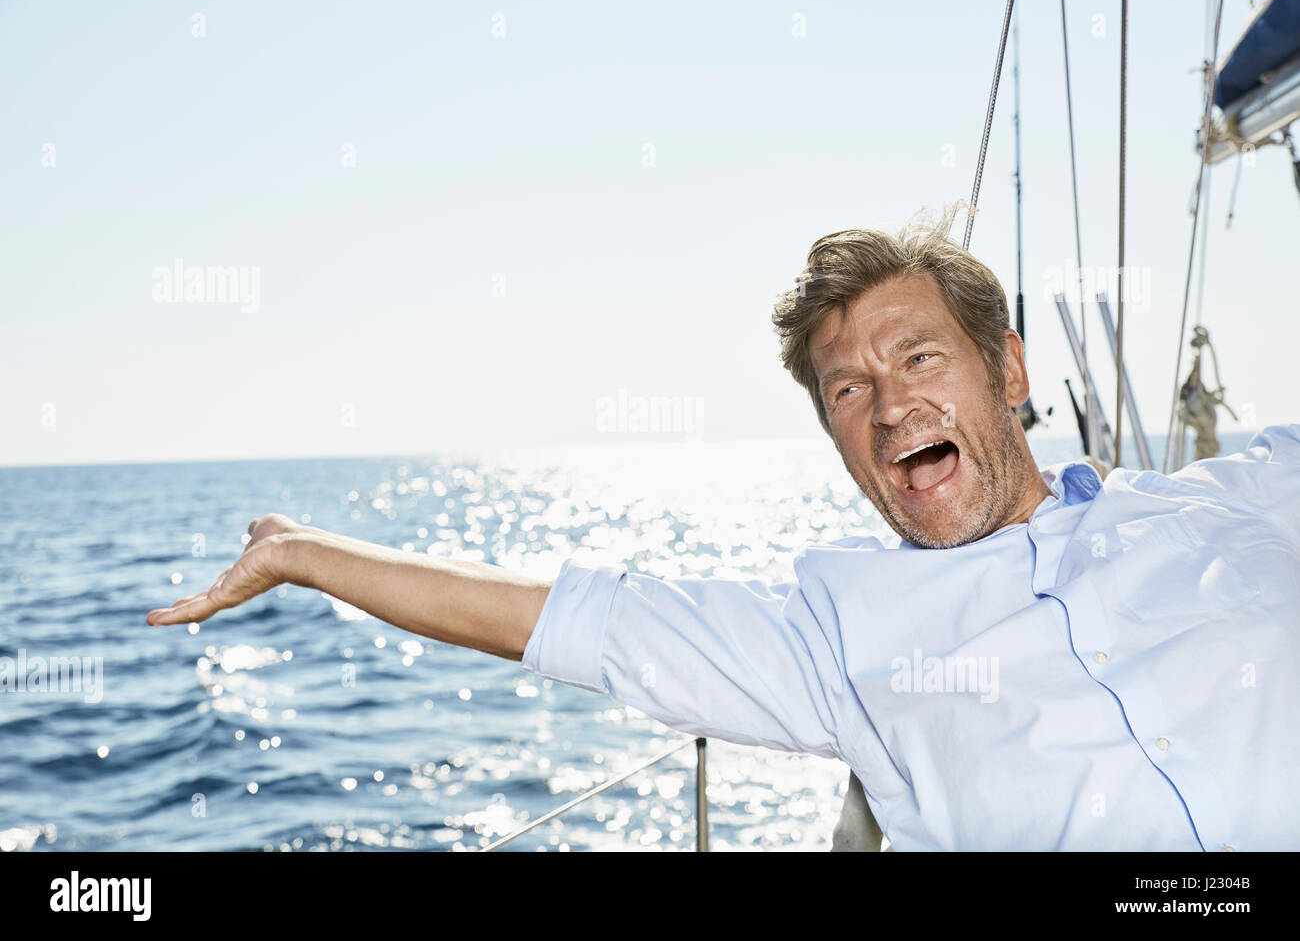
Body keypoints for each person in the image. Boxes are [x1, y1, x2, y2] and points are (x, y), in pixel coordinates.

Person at [147, 208, 1300, 851]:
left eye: (916, 358)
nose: (889, 403)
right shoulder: (837, 633)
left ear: (1006, 369)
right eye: (846, 391)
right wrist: (309, 553)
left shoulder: (1237, 496)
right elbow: (576, 622)